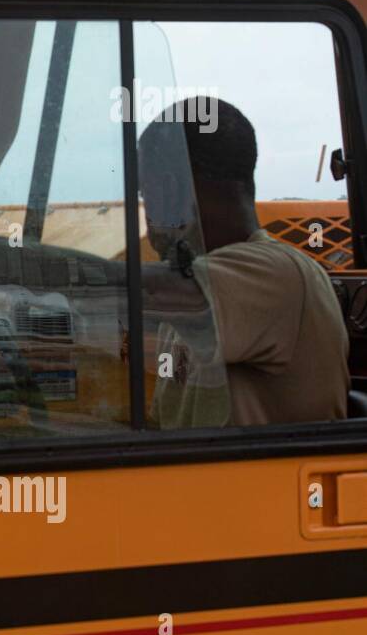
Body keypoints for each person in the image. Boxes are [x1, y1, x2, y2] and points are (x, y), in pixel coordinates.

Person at [137, 98, 348, 428]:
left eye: (144, 192)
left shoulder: (279, 275)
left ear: (171, 187)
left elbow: (135, 294)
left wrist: (45, 274)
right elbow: (167, 427)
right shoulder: (193, 292)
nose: (147, 216)